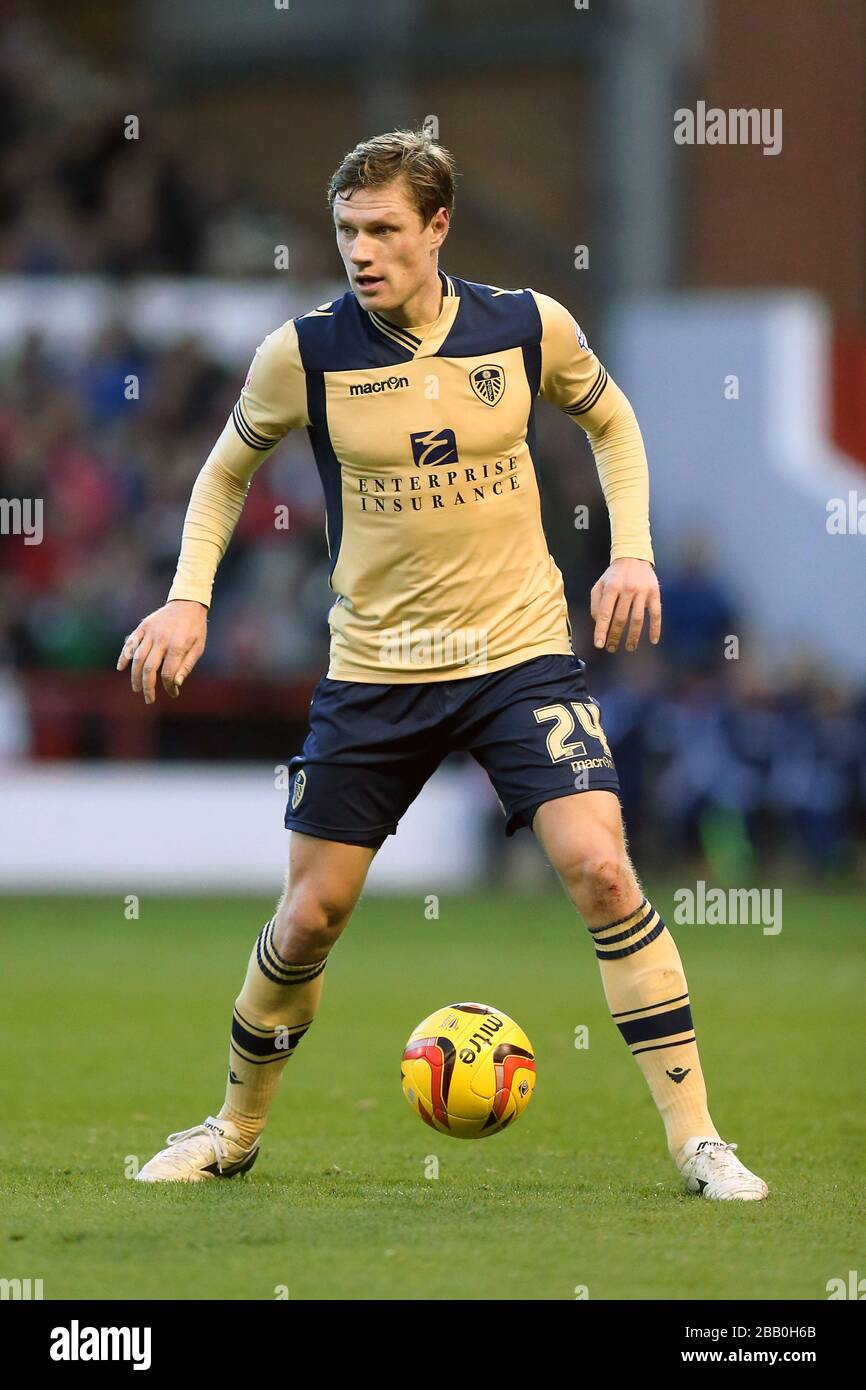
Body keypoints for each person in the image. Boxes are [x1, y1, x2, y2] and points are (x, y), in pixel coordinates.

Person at [118, 129, 766, 1199]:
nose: (361, 252)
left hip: (519, 655)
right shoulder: (305, 353)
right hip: (374, 667)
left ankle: (697, 1139)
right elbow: (225, 470)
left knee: (601, 867)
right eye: (345, 231)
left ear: (437, 227)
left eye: (382, 230)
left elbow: (610, 420)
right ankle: (231, 1129)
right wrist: (188, 598)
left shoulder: (523, 327)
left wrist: (632, 552)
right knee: (310, 915)